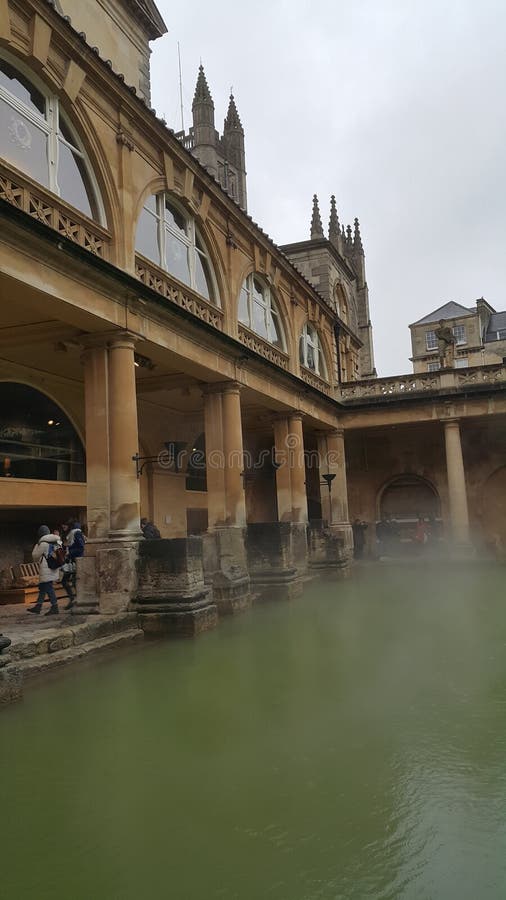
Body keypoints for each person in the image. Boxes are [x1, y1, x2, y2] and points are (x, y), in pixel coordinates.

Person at [28, 525, 62, 616]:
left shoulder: (43, 543)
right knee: (43, 587)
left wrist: (36, 546)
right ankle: (38, 606)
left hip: (46, 568)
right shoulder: (56, 541)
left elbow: (35, 556)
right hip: (54, 567)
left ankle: (55, 607)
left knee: (49, 588)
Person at [62, 521, 86, 610]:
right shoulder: (71, 534)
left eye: (64, 524)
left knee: (73, 581)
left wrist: (69, 553)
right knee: (68, 581)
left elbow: (81, 547)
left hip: (75, 562)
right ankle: (74, 599)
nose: (62, 526)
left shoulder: (76, 533)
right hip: (71, 562)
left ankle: (77, 599)